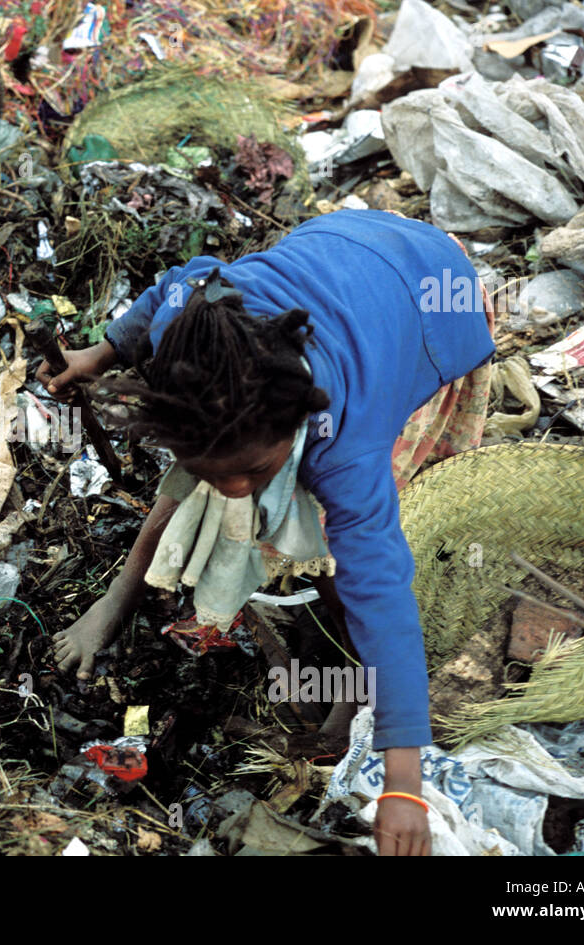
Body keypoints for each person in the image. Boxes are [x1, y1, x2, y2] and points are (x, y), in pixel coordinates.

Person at [39, 209, 497, 856]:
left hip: (433, 299)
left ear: (299, 423)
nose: (235, 493)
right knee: (196, 481)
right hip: (348, 244)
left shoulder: (347, 443)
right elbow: (179, 282)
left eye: (254, 471)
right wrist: (100, 352)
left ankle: (350, 688)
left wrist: (403, 782)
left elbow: (386, 597)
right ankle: (117, 600)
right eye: (217, 472)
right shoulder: (195, 329)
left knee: (346, 553)